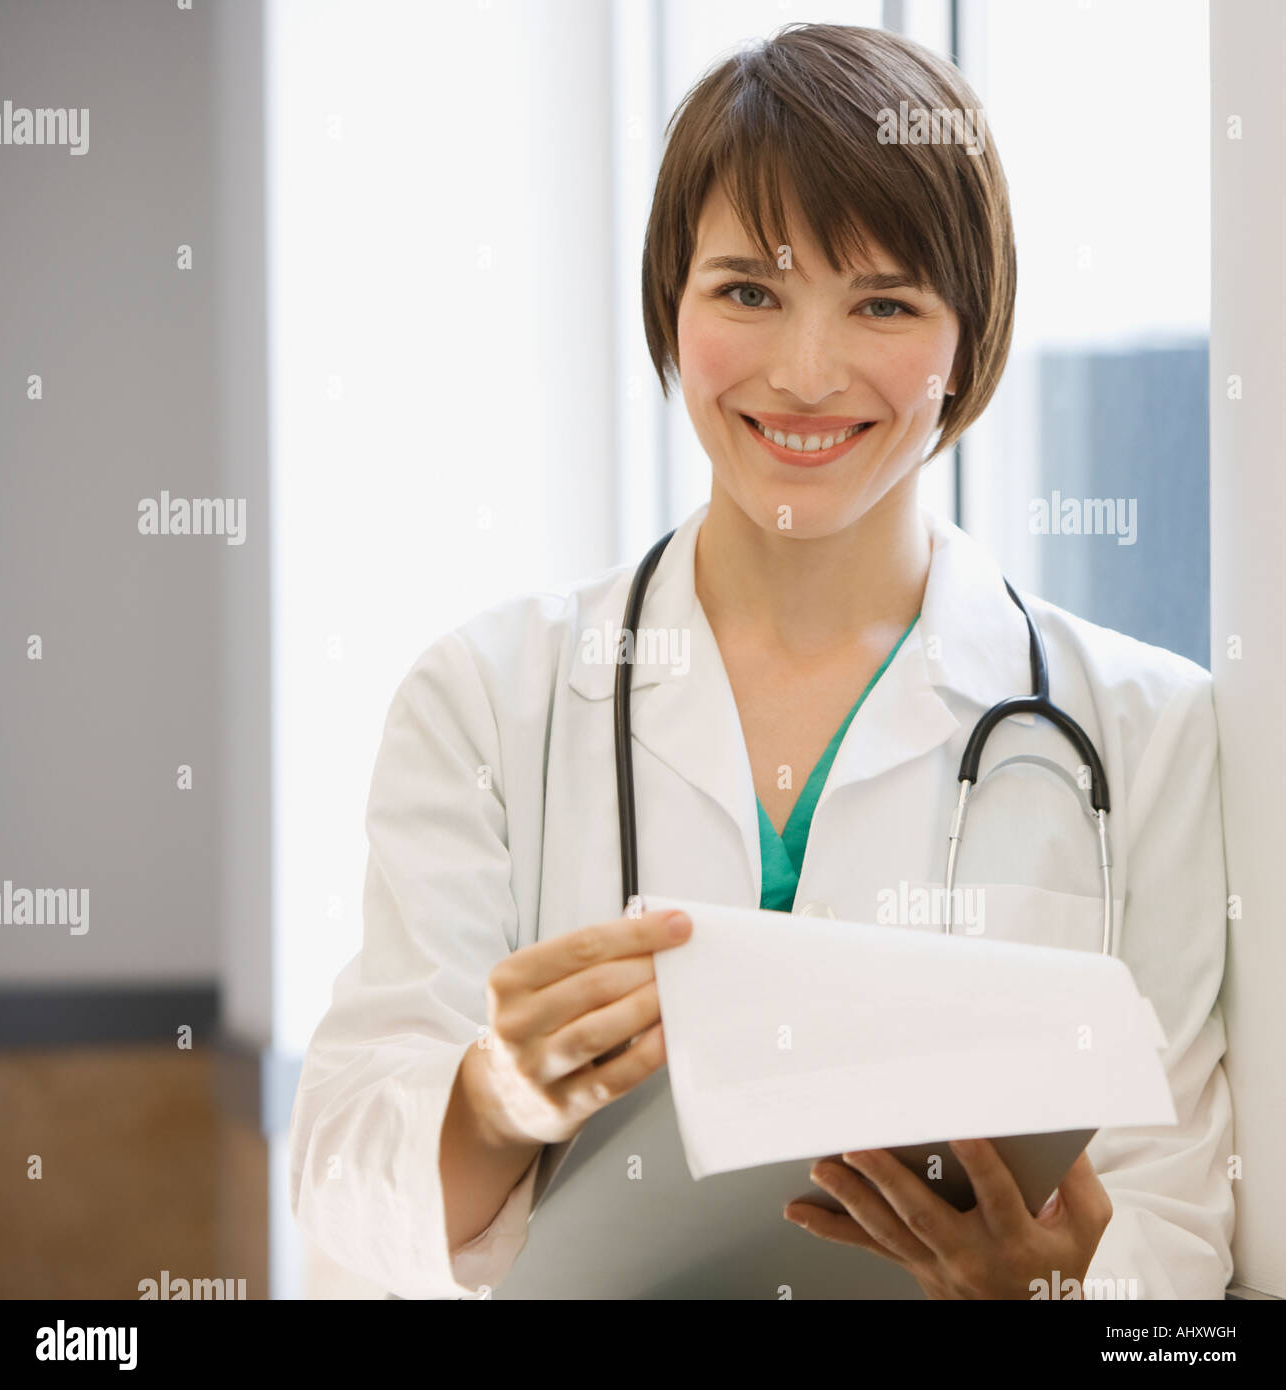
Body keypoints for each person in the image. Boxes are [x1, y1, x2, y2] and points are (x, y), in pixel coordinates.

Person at [288, 22, 1234, 1300]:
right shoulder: (486, 701)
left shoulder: (1148, 733)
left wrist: (1048, 1299)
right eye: (748, 290)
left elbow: (1174, 1228)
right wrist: (493, 1098)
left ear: (972, 336)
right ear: (670, 306)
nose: (804, 373)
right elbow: (349, 1204)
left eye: (885, 302)